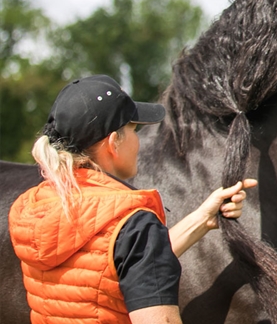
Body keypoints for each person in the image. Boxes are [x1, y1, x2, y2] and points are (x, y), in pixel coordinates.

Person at [7, 74, 258, 323]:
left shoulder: (35, 208)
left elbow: (112, 267)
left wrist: (202, 219)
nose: (138, 141)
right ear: (113, 142)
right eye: (134, 130)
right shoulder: (133, 225)